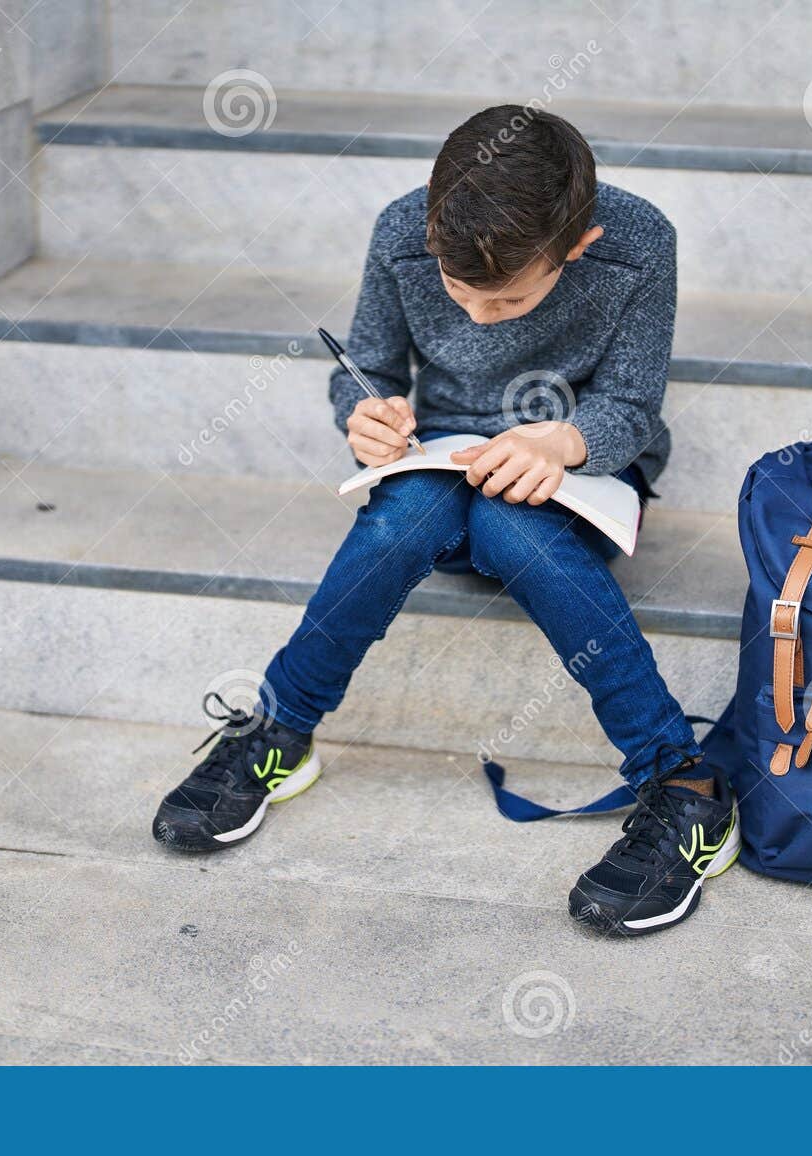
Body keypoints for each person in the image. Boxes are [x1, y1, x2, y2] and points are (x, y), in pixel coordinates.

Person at [152, 105, 737, 935]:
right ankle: (279, 733)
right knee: (405, 517)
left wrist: (565, 441)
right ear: (432, 231)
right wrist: (365, 415)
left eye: (508, 300)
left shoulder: (642, 243)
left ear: (579, 244)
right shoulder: (402, 231)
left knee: (512, 529)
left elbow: (633, 409)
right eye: (458, 291)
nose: (475, 316)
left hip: (582, 468)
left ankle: (683, 782)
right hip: (441, 455)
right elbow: (366, 370)